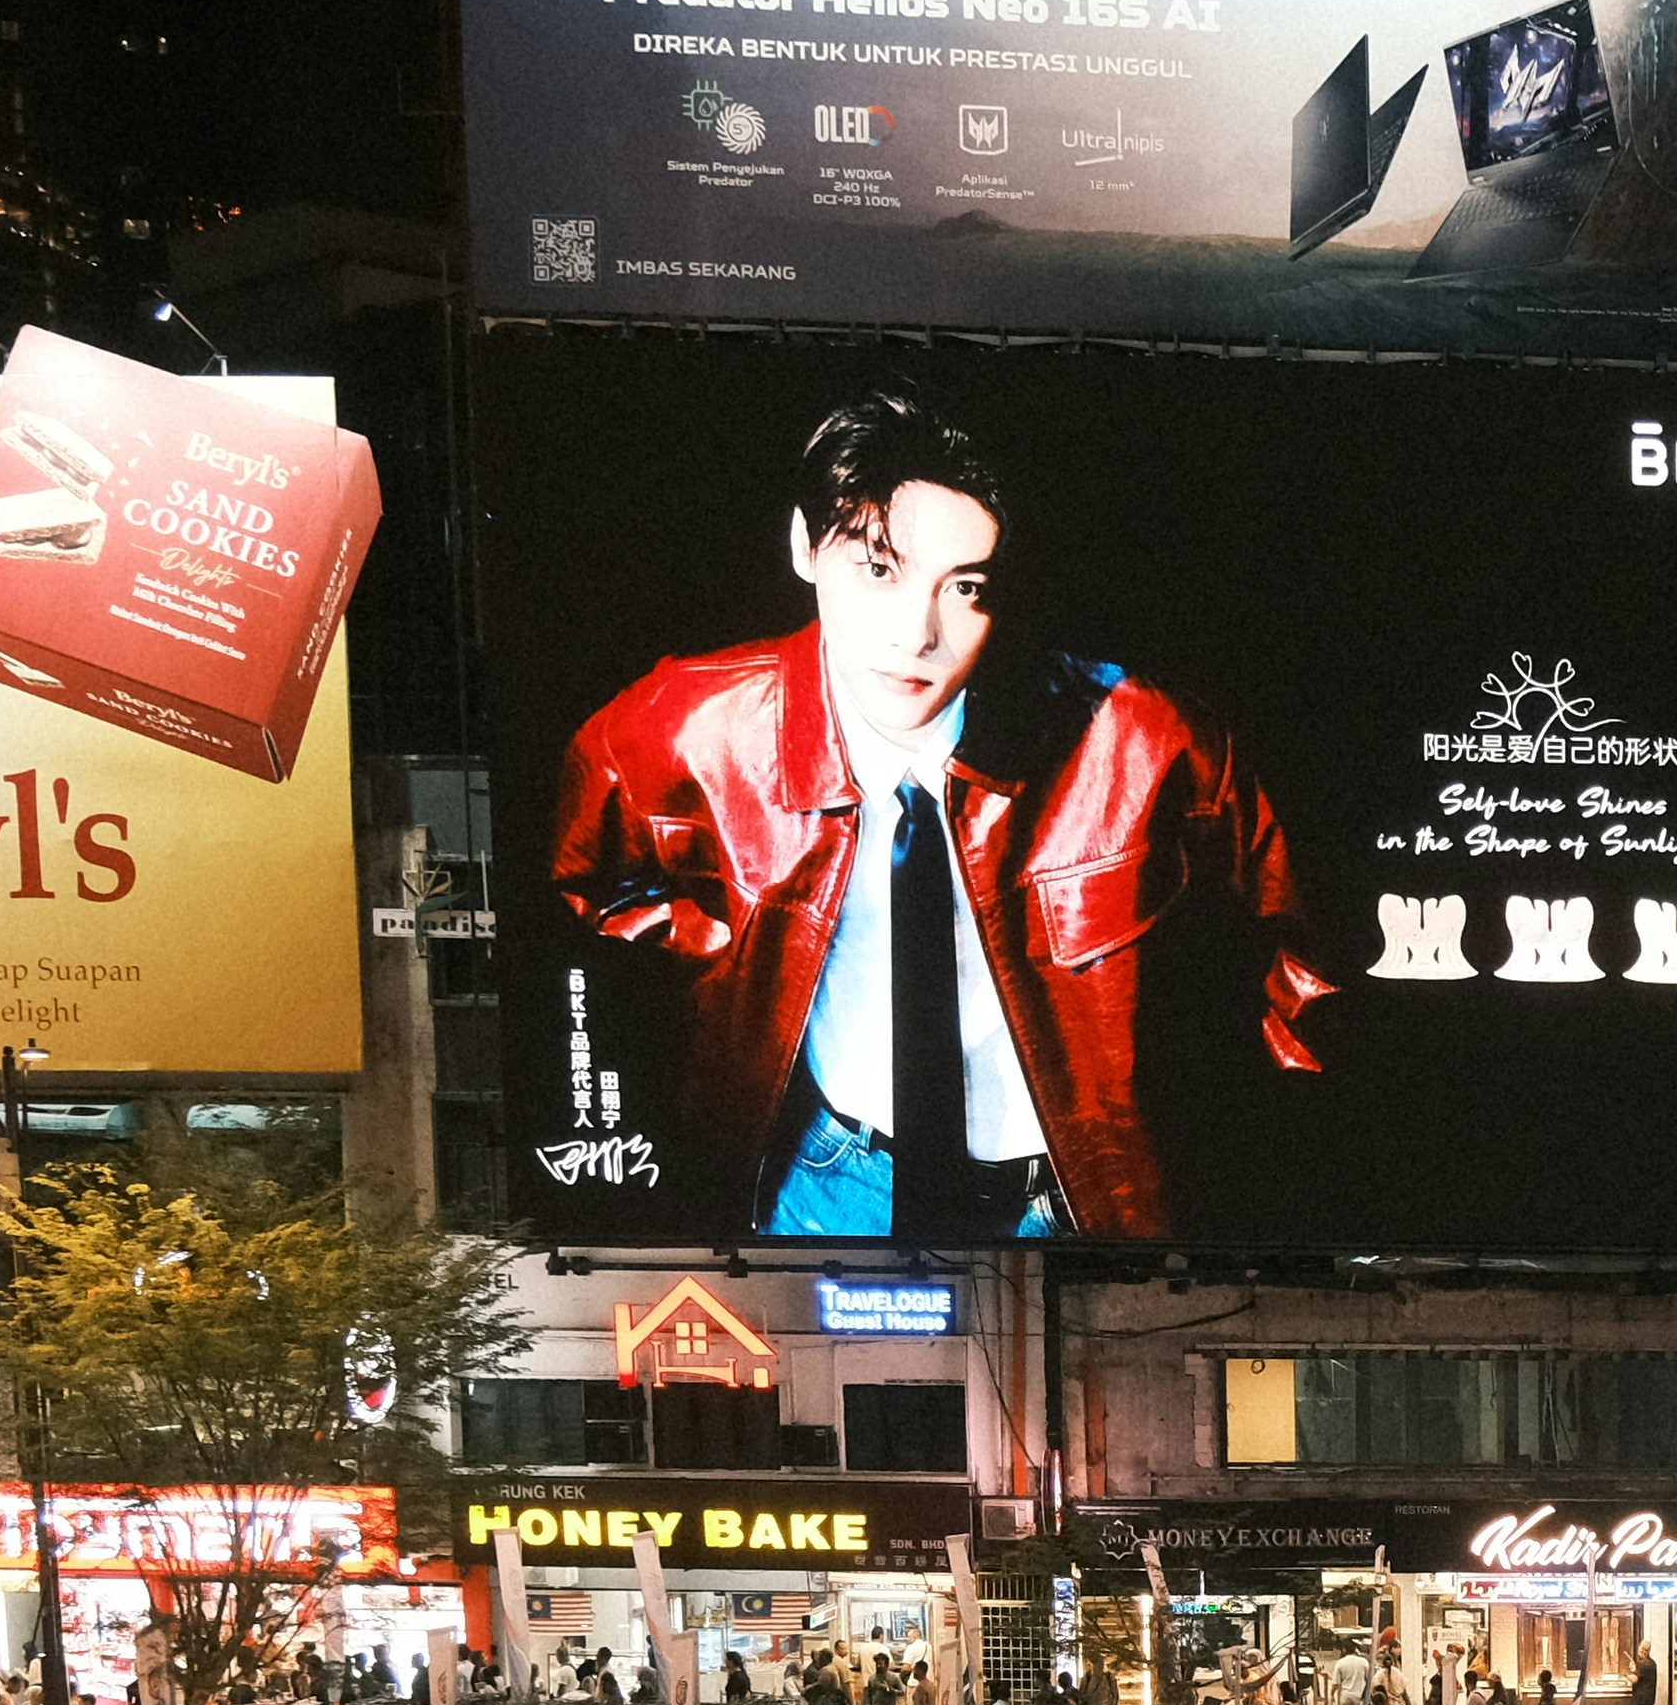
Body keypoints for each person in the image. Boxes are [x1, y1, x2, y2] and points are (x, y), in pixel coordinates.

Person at [545, 384, 1329, 1246]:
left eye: (964, 588)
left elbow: (1301, 947)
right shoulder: (679, 729)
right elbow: (579, 902)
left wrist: (1232, 1138)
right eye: (878, 570)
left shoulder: (1144, 740)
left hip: (1075, 1202)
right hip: (826, 1179)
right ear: (806, 547)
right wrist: (725, 961)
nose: (916, 633)